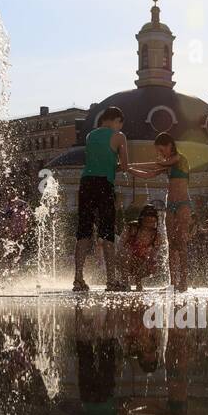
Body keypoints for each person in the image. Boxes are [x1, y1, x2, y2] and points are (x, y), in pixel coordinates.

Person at [74, 106, 133, 292]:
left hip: (86, 183)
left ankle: (78, 279)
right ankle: (111, 280)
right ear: (117, 120)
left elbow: (94, 161)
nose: (119, 127)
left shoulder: (90, 136)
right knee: (107, 232)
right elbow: (124, 166)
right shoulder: (119, 136)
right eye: (119, 123)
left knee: (83, 232)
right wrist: (116, 166)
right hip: (104, 184)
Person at [130, 133, 192, 291]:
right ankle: (172, 283)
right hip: (170, 205)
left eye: (161, 149)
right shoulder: (167, 165)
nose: (160, 153)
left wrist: (131, 163)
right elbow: (148, 174)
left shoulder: (179, 158)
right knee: (172, 244)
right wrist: (129, 168)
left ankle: (183, 282)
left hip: (183, 205)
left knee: (181, 243)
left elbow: (157, 164)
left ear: (170, 145)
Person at [120, 205, 161, 290]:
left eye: (152, 222)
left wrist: (148, 260)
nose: (149, 225)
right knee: (126, 254)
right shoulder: (131, 228)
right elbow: (120, 246)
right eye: (147, 222)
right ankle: (125, 281)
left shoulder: (156, 235)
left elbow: (155, 254)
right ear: (142, 220)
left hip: (143, 260)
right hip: (127, 258)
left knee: (152, 263)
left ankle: (139, 281)